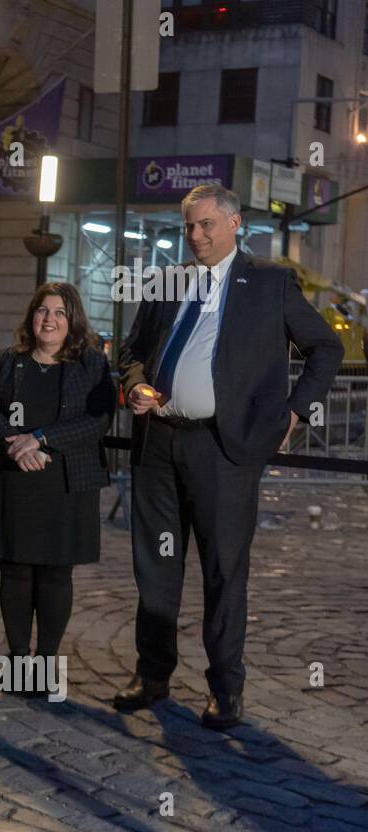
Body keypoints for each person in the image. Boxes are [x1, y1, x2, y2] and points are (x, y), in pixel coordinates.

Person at [115, 184, 342, 729]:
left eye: (206, 225)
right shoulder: (168, 281)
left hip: (224, 448)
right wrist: (137, 384)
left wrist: (294, 412)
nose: (194, 236)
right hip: (158, 444)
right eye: (189, 226)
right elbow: (131, 352)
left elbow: (324, 349)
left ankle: (225, 689)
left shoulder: (268, 282)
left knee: (223, 572)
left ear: (236, 224)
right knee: (155, 567)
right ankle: (153, 675)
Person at [0, 282, 114, 688]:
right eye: (42, 310)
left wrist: (39, 438)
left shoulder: (90, 364)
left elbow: (98, 419)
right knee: (15, 572)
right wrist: (16, 447)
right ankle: (20, 664)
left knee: (56, 575)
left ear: (72, 320)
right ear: (31, 316)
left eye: (59, 312)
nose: (49, 319)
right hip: (14, 481)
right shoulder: (8, 360)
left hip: (66, 484)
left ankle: (45, 663)